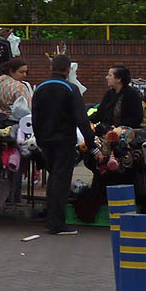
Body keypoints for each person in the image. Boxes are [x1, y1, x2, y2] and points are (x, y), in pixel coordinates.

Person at [32, 54, 97, 235]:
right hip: (64, 141)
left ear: (51, 68)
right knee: (60, 181)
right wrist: (90, 142)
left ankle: (50, 219)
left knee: (53, 179)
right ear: (68, 70)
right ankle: (56, 224)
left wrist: (38, 139)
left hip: (45, 141)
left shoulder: (40, 89)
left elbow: (35, 117)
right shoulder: (71, 88)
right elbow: (81, 119)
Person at [95, 64, 145, 129]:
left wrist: (119, 126)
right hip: (107, 129)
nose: (106, 77)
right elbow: (100, 113)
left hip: (125, 131)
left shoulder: (132, 94)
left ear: (119, 79)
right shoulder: (109, 94)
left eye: (110, 75)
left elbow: (137, 118)